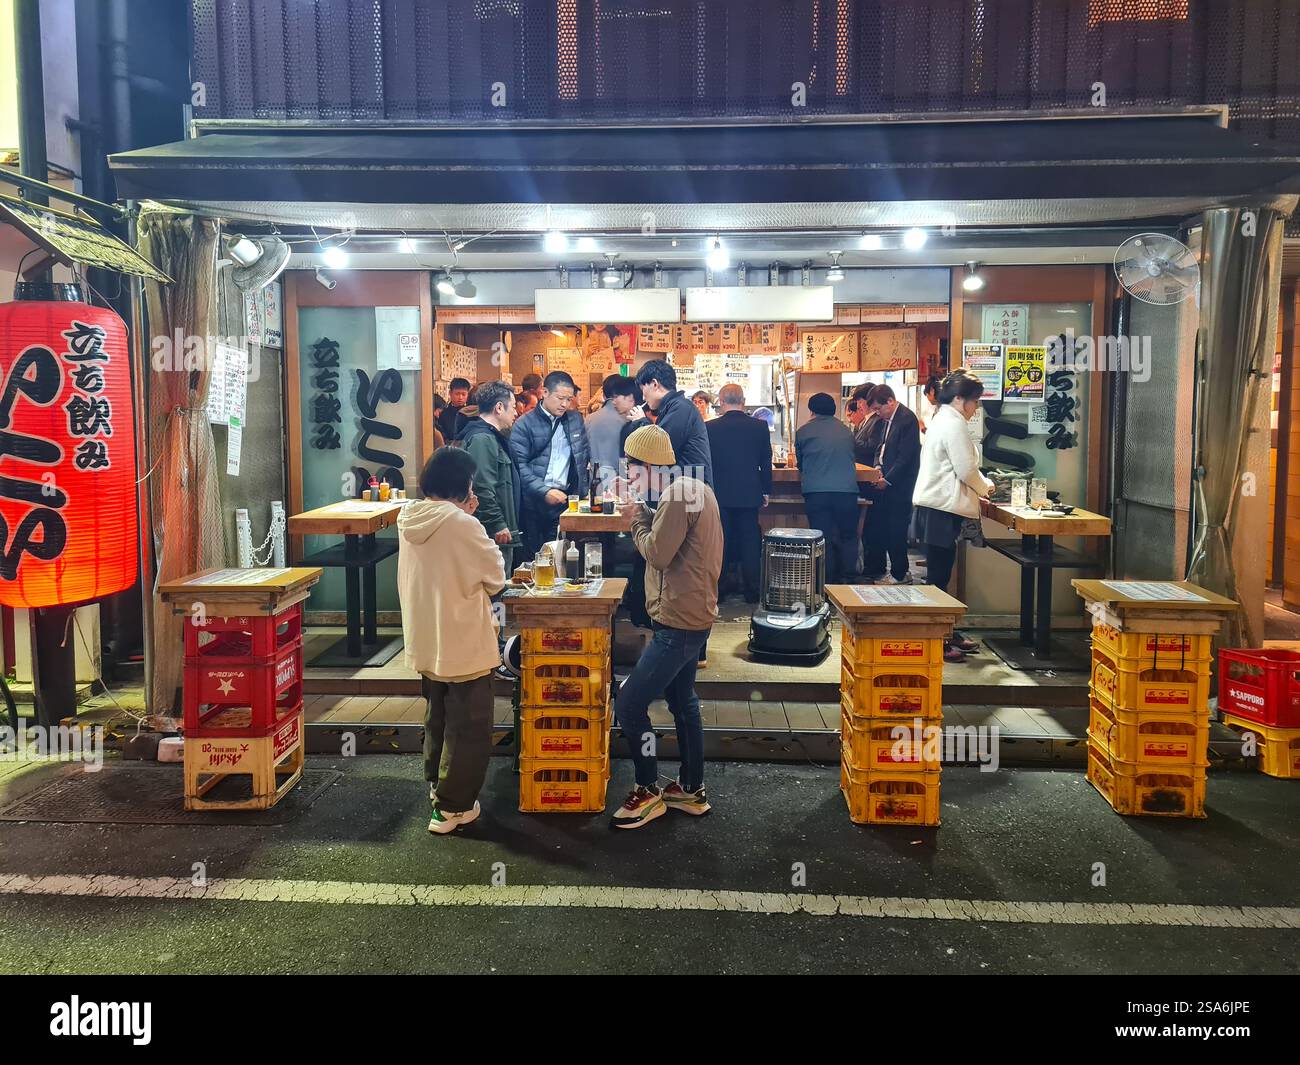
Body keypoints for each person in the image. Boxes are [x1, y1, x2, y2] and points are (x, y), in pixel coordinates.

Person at [610, 424, 723, 829]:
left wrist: (635, 521)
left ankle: (647, 788)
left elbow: (658, 553)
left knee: (629, 703)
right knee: (682, 702)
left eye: (631, 465)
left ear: (647, 465)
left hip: (678, 619)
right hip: (693, 613)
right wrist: (643, 511)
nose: (628, 472)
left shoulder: (677, 495)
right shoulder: (693, 488)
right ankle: (692, 789)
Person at [397, 448, 506, 834]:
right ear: (463, 486)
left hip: (427, 637)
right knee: (471, 725)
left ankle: (437, 786)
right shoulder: (462, 524)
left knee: (438, 714)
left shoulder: (409, 517)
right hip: (461, 640)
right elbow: (495, 574)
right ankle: (453, 808)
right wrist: (470, 517)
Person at [912, 369, 994, 663]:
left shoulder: (942, 418)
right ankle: (938, 640)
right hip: (941, 509)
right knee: (938, 576)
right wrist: (986, 487)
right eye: (975, 401)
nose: (976, 408)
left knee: (939, 574)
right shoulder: (953, 423)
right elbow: (966, 469)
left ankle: (945, 633)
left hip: (935, 507)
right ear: (960, 399)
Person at [508, 370, 591, 557]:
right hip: (533, 503)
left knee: (563, 557)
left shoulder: (575, 420)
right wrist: (543, 491)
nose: (565, 404)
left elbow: (582, 459)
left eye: (569, 399)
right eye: (560, 397)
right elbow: (519, 465)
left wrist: (583, 496)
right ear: (544, 392)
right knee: (537, 557)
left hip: (565, 501)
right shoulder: (524, 424)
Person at [706, 384, 771, 602]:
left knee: (720, 541)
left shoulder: (710, 428)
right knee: (750, 542)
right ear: (743, 401)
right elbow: (766, 462)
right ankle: (753, 591)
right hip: (749, 493)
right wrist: (766, 490)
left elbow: (705, 463)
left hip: (719, 494)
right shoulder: (759, 427)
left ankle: (720, 589)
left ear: (721, 401)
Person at [795, 392, 860, 584]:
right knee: (848, 535)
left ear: (812, 411)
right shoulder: (847, 431)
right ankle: (849, 578)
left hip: (816, 493)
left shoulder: (803, 432)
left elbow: (801, 465)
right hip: (847, 492)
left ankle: (826, 581)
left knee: (823, 538)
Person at [861, 385, 922, 584]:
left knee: (896, 530)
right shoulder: (889, 420)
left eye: (879, 409)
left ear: (890, 401)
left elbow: (905, 457)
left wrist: (887, 480)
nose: (878, 413)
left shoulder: (906, 419)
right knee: (888, 529)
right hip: (887, 482)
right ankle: (896, 571)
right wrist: (878, 468)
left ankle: (900, 573)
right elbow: (884, 448)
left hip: (900, 486)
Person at [459, 381, 520, 573]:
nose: (516, 413)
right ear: (499, 408)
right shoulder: (482, 439)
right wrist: (498, 524)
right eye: (514, 407)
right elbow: (481, 488)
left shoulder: (493, 436)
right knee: (496, 593)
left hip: (499, 531)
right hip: (493, 534)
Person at [634, 358, 714, 486]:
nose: (643, 397)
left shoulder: (680, 408)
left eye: (643, 390)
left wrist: (641, 421)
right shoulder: (674, 407)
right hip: (685, 487)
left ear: (654, 384)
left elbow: (658, 450)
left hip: (690, 491)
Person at [586, 374, 639, 492]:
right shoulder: (629, 421)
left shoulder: (589, 420)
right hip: (625, 485)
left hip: (597, 483)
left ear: (604, 395)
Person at [438, 377, 471, 442]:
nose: (460, 397)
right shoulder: (444, 414)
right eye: (457, 394)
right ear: (450, 393)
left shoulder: (470, 413)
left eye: (463, 394)